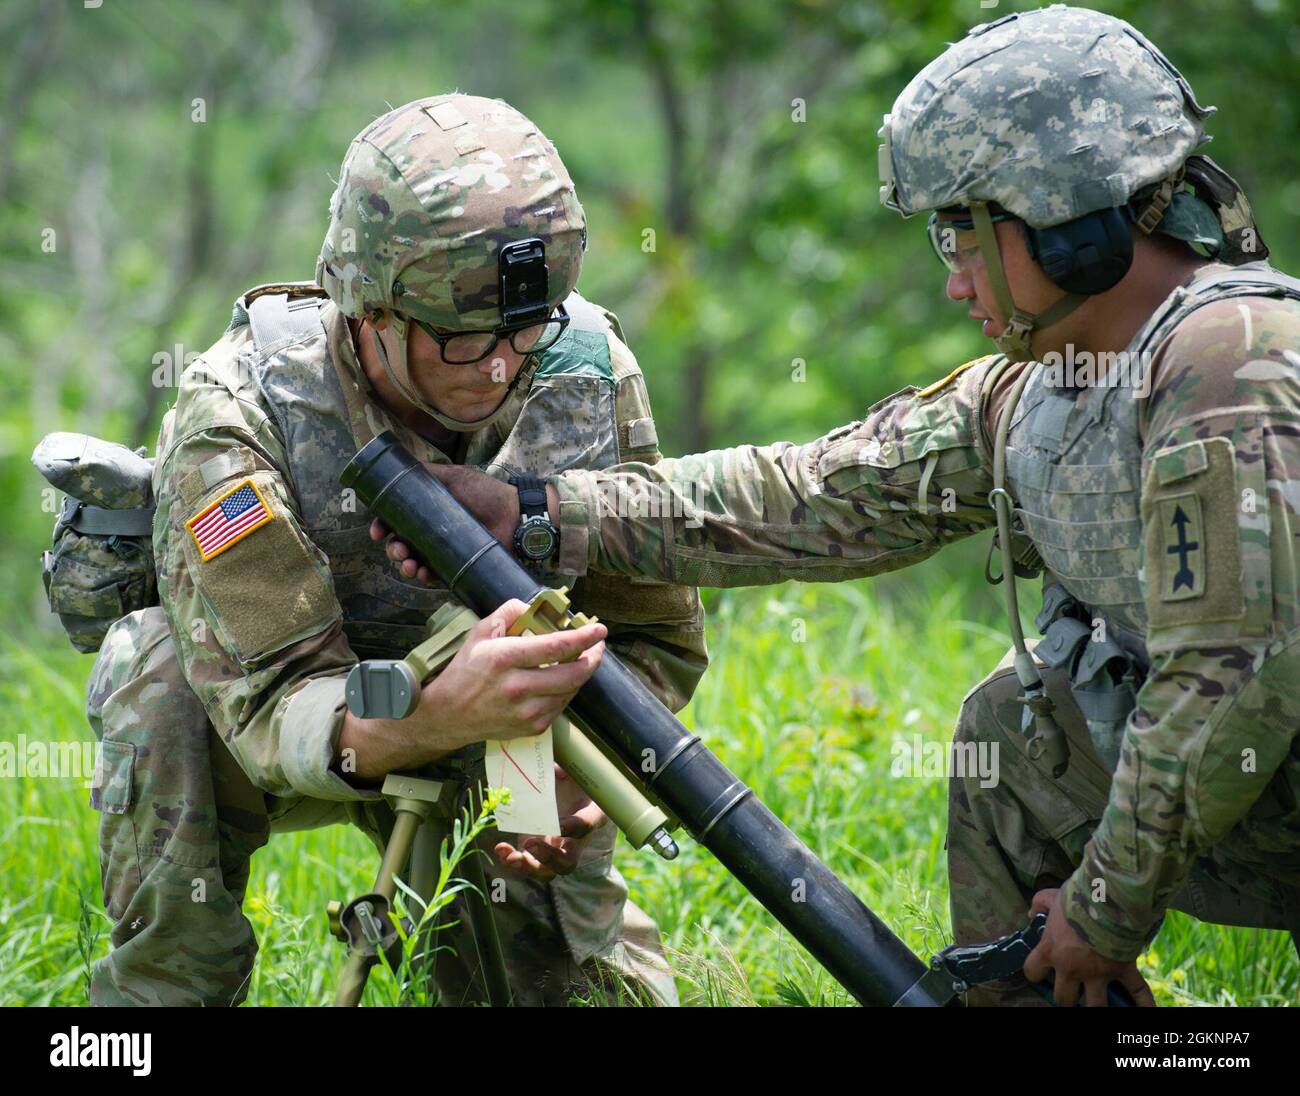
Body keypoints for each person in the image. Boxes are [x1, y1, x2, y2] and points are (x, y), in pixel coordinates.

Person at [387, 8, 1300, 1006]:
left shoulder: (1234, 362)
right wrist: (531, 510)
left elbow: (1230, 674)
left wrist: (1102, 907)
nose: (952, 278)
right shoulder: (1041, 389)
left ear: (1059, 219)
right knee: (1013, 727)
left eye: (962, 232)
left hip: (1262, 761)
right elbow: (811, 495)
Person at [86, 93, 707, 1006]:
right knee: (156, 681)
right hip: (285, 726)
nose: (499, 367)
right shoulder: (241, 408)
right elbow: (264, 702)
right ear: (365, 306)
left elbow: (655, 634)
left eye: (523, 329)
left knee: (565, 995)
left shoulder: (585, 373)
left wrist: (578, 775)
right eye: (460, 339)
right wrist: (429, 719)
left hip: (504, 743)